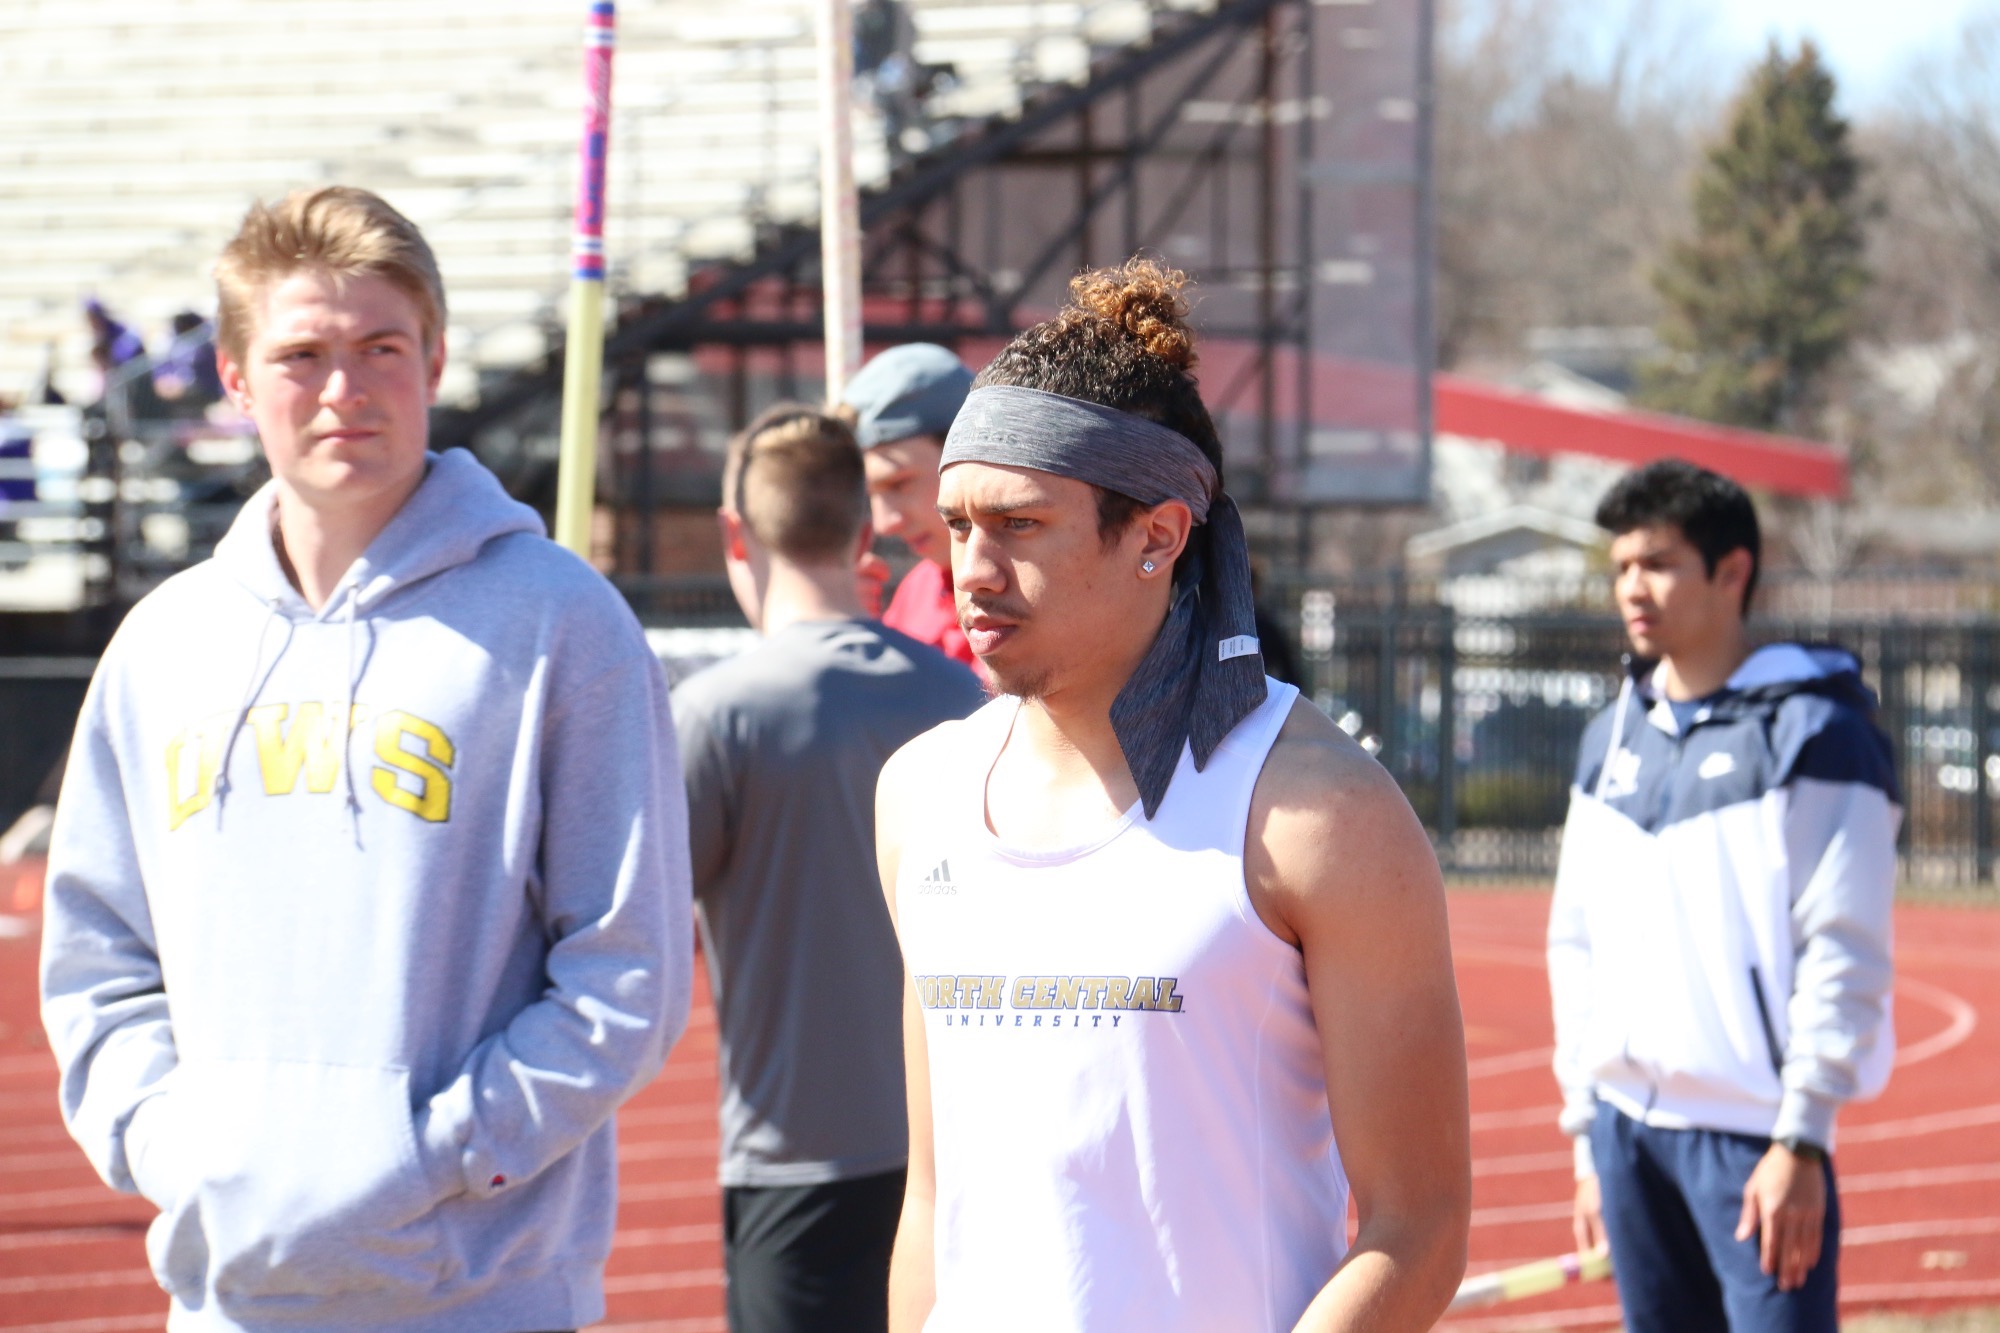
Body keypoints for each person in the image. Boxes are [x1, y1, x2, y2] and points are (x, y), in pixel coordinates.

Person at [39, 185, 693, 1331]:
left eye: (380, 348)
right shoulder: (163, 646)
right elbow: (98, 955)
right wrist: (171, 1143)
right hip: (229, 1292)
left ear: (432, 361)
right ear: (235, 380)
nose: (344, 388)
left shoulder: (561, 623)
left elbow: (625, 969)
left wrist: (437, 1153)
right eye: (302, 355)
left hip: (476, 1294)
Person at [877, 260, 1471, 1330]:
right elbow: (933, 1198)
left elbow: (1416, 1224)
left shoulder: (1316, 814)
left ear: (1156, 534)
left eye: (1020, 525)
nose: (972, 569)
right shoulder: (918, 794)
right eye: (958, 525)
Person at [1549, 459, 1898, 1333]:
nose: (1633, 588)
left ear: (1732, 570)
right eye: (1622, 566)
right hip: (1626, 1136)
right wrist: (1589, 1140)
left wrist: (1803, 1136)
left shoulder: (1818, 732)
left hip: (1756, 1140)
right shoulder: (1610, 736)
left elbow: (1843, 943)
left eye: (1658, 563)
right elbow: (1576, 940)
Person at [674, 405, 983, 1332]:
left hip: (794, 1160)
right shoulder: (961, 696)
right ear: (862, 535)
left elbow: (626, 924)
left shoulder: (716, 715)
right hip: (958, 1148)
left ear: (736, 534)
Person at [839, 343, 979, 673]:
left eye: (899, 483)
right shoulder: (917, 591)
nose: (884, 523)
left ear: (967, 453)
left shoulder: (1044, 585)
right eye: (870, 495)